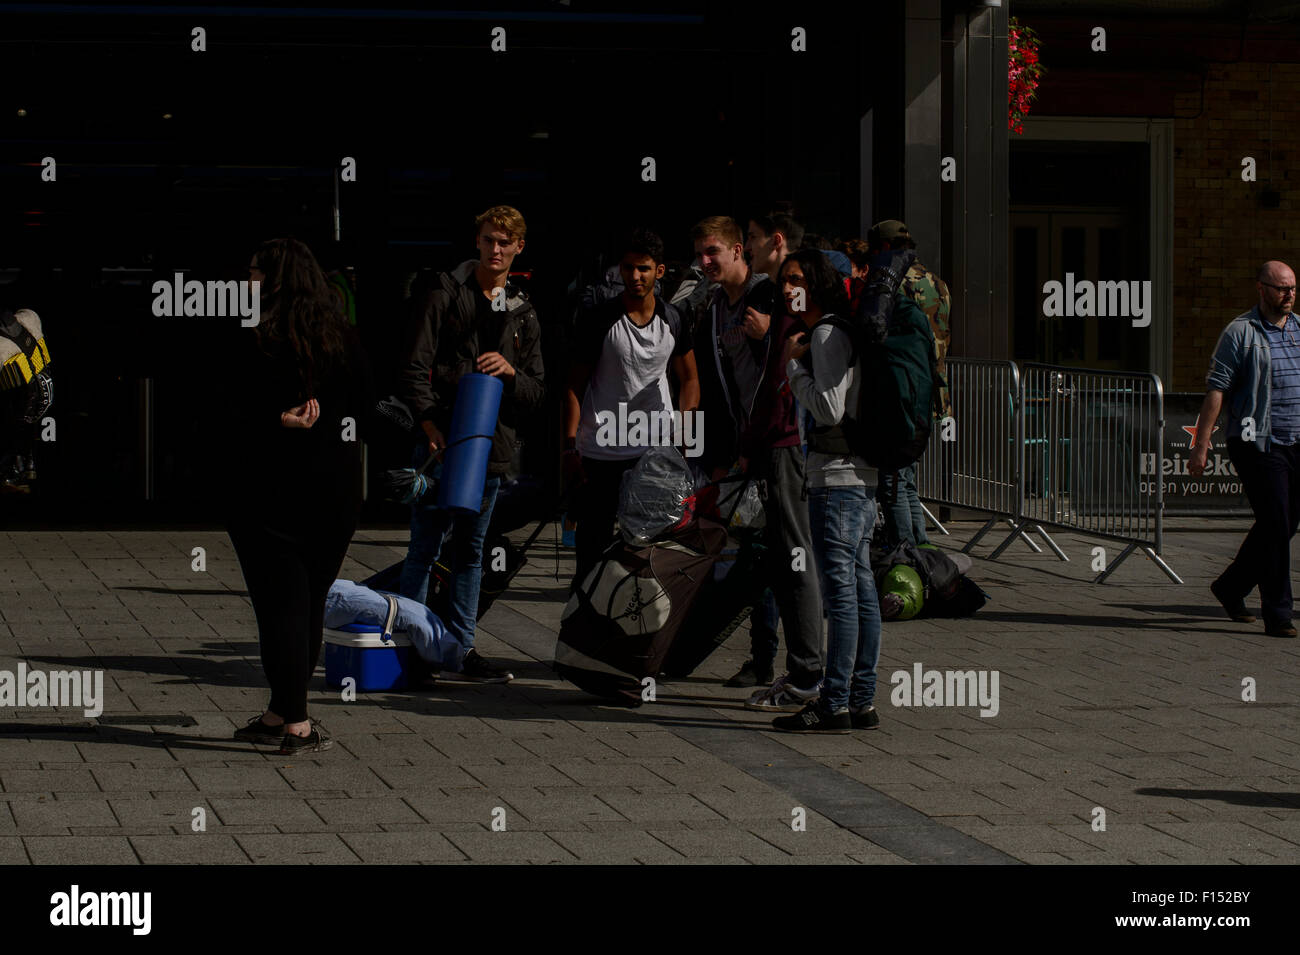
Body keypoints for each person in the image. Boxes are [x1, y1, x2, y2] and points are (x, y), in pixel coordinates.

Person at [225, 237, 374, 754]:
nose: (246, 280)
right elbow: (364, 408)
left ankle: (297, 723)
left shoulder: (255, 338)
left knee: (278, 607)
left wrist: (276, 421)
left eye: (254, 272)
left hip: (269, 491)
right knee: (307, 604)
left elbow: (223, 413)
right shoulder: (343, 338)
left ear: (276, 279)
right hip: (335, 493)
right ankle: (279, 713)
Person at [396, 205, 546, 680]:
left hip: (492, 448)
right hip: (441, 440)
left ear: (519, 246)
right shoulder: (444, 290)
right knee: (424, 549)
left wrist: (510, 374)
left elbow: (537, 391)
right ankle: (414, 650)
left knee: (470, 553)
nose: (495, 249)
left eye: (504, 242)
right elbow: (414, 366)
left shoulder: (523, 310)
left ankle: (459, 649)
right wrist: (427, 424)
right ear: (477, 242)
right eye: (488, 240)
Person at [774, 249, 882, 732]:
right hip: (859, 476)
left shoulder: (824, 333)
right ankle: (860, 700)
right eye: (783, 280)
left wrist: (792, 369)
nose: (786, 289)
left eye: (794, 279)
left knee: (841, 595)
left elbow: (829, 408)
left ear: (815, 283)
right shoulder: (840, 328)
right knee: (859, 592)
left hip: (836, 479)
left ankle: (834, 701)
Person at [564, 228, 699, 589]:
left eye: (643, 268)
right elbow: (574, 386)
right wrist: (569, 445)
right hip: (601, 449)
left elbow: (690, 380)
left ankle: (640, 634)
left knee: (648, 549)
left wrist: (685, 435)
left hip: (652, 451)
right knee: (591, 552)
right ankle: (583, 630)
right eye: (628, 268)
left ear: (660, 270)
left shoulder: (673, 319)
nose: (635, 276)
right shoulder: (598, 318)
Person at [1192, 260, 1300, 638]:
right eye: (1280, 288)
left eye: (1292, 288)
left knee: (1285, 524)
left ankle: (1230, 587)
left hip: (1296, 440)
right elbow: (1217, 390)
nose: (1287, 295)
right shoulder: (1240, 332)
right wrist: (1200, 445)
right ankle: (1278, 613)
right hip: (1257, 441)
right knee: (1276, 523)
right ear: (1261, 289)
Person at [867, 219, 951, 548]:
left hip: (905, 392)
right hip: (933, 391)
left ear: (885, 248)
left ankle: (909, 555)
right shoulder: (938, 283)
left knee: (894, 484)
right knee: (908, 480)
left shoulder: (895, 282)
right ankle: (921, 550)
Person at [0, 306, 53, 493]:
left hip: (26, 395)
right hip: (37, 385)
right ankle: (25, 462)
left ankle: (14, 466)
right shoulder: (30, 317)